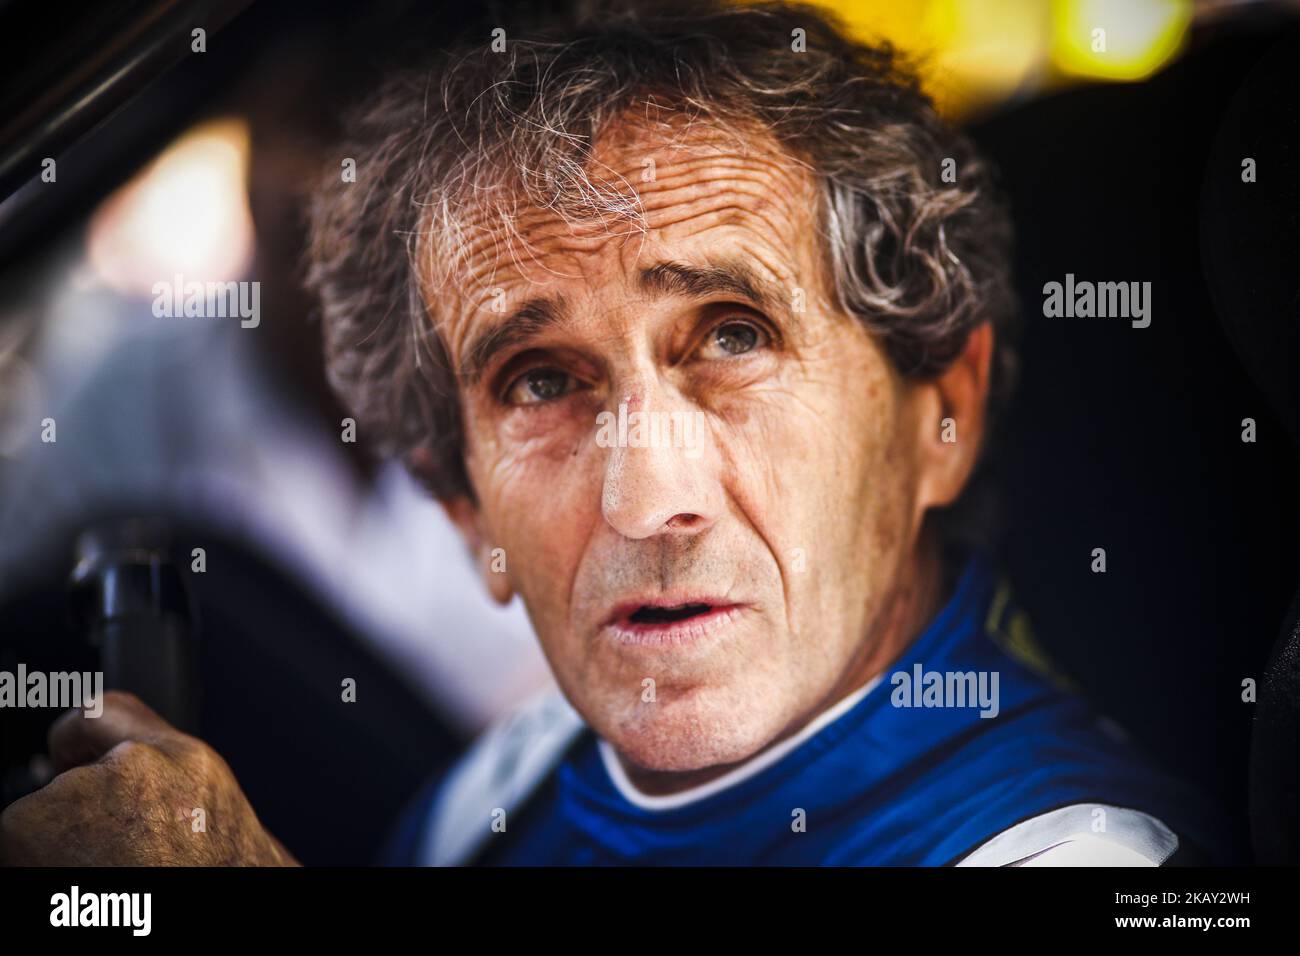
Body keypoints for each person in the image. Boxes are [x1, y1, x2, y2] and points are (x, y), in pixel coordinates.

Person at [0, 0, 1235, 866]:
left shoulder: (1073, 854)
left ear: (939, 416)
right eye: (540, 380)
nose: (647, 496)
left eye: (734, 335)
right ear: (466, 511)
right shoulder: (509, 785)